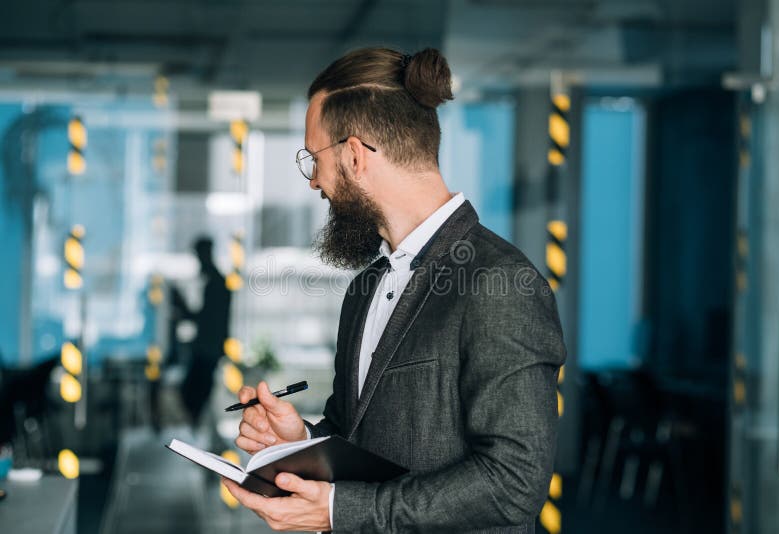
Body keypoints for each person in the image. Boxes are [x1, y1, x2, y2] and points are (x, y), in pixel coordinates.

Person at [223, 47, 567, 533]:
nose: (314, 182)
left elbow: (514, 482)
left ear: (355, 155)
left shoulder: (501, 283)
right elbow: (359, 439)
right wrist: (300, 438)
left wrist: (341, 512)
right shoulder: (366, 287)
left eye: (312, 159)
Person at [171, 236, 231, 429]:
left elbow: (207, 320)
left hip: (207, 349)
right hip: (208, 348)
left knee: (193, 392)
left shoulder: (216, 284)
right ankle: (196, 426)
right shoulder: (216, 282)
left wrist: (182, 307)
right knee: (196, 391)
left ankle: (196, 427)